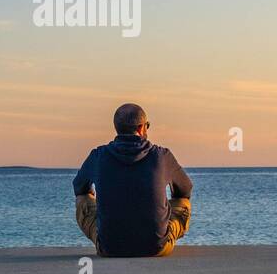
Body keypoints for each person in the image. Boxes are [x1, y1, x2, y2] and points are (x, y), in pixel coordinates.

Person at [72, 103, 193, 257]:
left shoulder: (98, 156)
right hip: (157, 248)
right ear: (142, 128)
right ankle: (156, 234)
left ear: (116, 128)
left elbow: (79, 187)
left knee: (83, 199)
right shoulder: (162, 156)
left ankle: (114, 235)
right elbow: (186, 189)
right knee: (183, 202)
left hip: (110, 248)